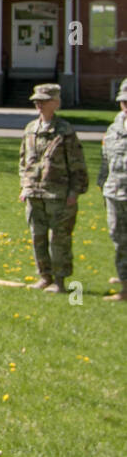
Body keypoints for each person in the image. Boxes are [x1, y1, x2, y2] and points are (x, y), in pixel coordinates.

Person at [18, 83, 88, 294]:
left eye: (43, 100)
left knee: (59, 239)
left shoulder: (65, 131)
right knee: (37, 237)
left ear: (56, 103)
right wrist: (24, 186)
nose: (38, 104)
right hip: (34, 193)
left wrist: (75, 192)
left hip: (59, 195)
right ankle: (44, 276)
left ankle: (60, 281)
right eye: (36, 101)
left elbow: (77, 164)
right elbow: (23, 160)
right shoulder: (30, 129)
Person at [97, 79, 127, 302]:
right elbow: (105, 161)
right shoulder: (114, 128)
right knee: (119, 239)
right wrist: (102, 185)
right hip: (115, 193)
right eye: (123, 101)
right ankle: (125, 286)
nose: (126, 105)